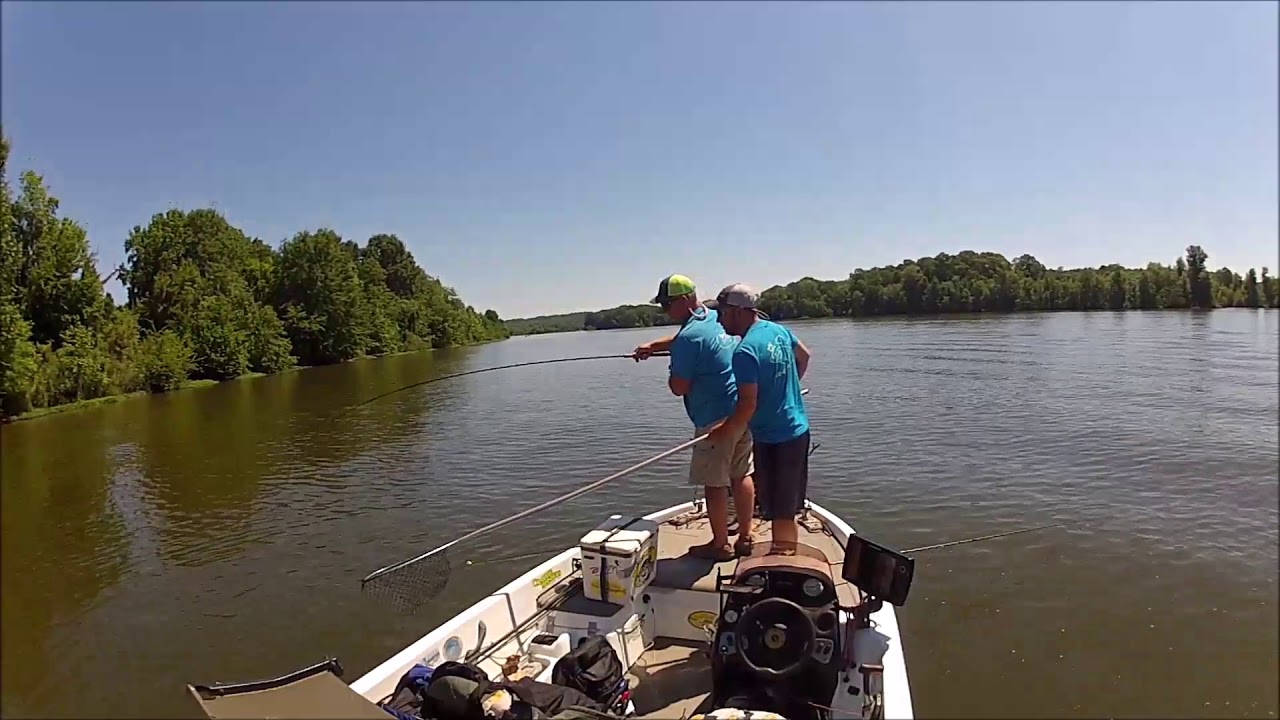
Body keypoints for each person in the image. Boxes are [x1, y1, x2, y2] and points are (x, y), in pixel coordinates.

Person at [633, 274, 756, 560]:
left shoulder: (689, 338)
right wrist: (654, 347)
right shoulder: (714, 316)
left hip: (713, 421)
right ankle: (746, 536)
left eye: (667, 304)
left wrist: (676, 367)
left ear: (686, 300)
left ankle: (720, 546)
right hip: (740, 411)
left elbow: (679, 387)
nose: (665, 311)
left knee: (714, 484)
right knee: (742, 475)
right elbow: (682, 341)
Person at [707, 283, 811, 556]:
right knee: (784, 506)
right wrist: (783, 390)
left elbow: (746, 405)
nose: (719, 319)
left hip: (775, 438)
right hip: (798, 429)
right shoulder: (778, 330)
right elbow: (804, 356)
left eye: (723, 313)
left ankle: (784, 563)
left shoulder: (745, 352)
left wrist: (724, 431)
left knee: (780, 511)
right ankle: (782, 556)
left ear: (739, 312)